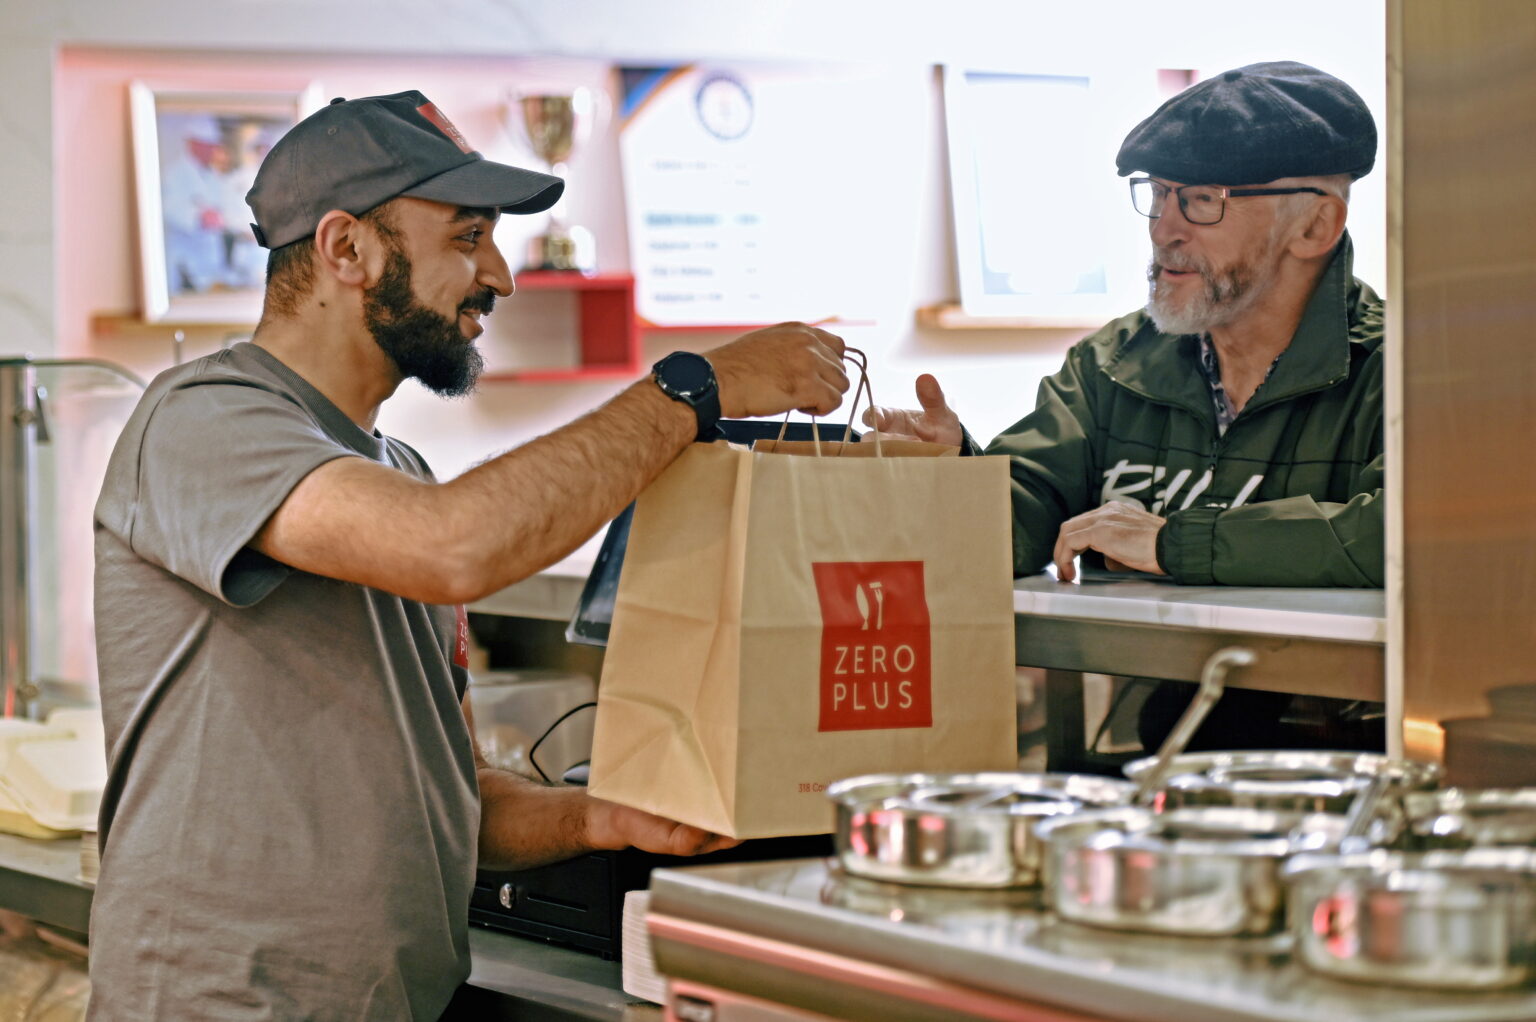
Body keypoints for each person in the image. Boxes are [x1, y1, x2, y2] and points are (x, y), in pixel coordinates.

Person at [89, 90, 848, 1020]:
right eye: (465, 238)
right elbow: (458, 546)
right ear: (346, 249)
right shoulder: (202, 417)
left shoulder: (397, 473)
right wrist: (694, 387)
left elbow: (448, 796)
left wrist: (597, 815)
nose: (500, 274)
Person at [870, 62, 1384, 749]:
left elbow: (1398, 536)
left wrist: (1174, 542)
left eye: (1202, 199)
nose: (1164, 228)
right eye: (1159, 195)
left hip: (1339, 785)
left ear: (1316, 225)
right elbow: (1028, 506)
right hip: (1139, 772)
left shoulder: (1405, 372)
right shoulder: (1111, 365)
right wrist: (956, 478)